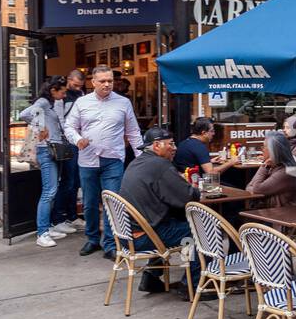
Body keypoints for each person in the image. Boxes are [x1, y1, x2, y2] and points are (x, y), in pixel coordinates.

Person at [64, 65, 143, 260]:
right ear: (93, 83)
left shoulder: (123, 102)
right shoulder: (82, 102)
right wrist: (77, 139)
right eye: (103, 81)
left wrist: (142, 157)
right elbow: (69, 126)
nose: (107, 84)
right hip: (88, 160)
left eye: (110, 80)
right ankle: (92, 238)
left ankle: (109, 242)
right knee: (90, 203)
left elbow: (133, 131)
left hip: (113, 159)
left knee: (112, 203)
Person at [117, 126, 203, 301]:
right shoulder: (160, 165)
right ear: (157, 146)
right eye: (170, 144)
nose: (175, 147)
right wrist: (195, 188)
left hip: (126, 234)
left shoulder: (138, 162)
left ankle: (151, 277)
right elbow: (187, 197)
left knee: (177, 220)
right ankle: (192, 286)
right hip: (144, 237)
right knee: (199, 232)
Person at [20, 75, 73, 248]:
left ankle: (47, 228)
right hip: (47, 149)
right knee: (49, 191)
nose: (64, 95)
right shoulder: (43, 102)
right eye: (62, 92)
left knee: (52, 189)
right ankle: (42, 233)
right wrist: (40, 127)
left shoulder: (50, 103)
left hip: (53, 149)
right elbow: (24, 114)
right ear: (53, 91)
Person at [52, 68, 87, 229]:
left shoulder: (81, 95)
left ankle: (72, 215)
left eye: (80, 85)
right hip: (66, 142)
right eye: (75, 85)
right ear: (68, 80)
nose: (78, 88)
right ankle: (59, 217)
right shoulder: (61, 98)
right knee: (68, 180)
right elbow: (60, 120)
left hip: (79, 141)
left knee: (76, 180)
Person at [245, 130, 296, 207]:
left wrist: (264, 167)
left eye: (264, 147)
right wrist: (266, 165)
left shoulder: (286, 172)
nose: (261, 150)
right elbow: (248, 187)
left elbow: (256, 190)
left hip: (283, 215)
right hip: (270, 211)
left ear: (273, 151)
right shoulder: (273, 166)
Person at [174, 117, 241, 178]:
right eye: (212, 131)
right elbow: (211, 173)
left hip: (185, 180)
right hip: (198, 184)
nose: (214, 134)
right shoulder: (199, 147)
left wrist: (210, 161)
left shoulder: (184, 143)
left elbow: (189, 163)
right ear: (204, 133)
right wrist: (230, 162)